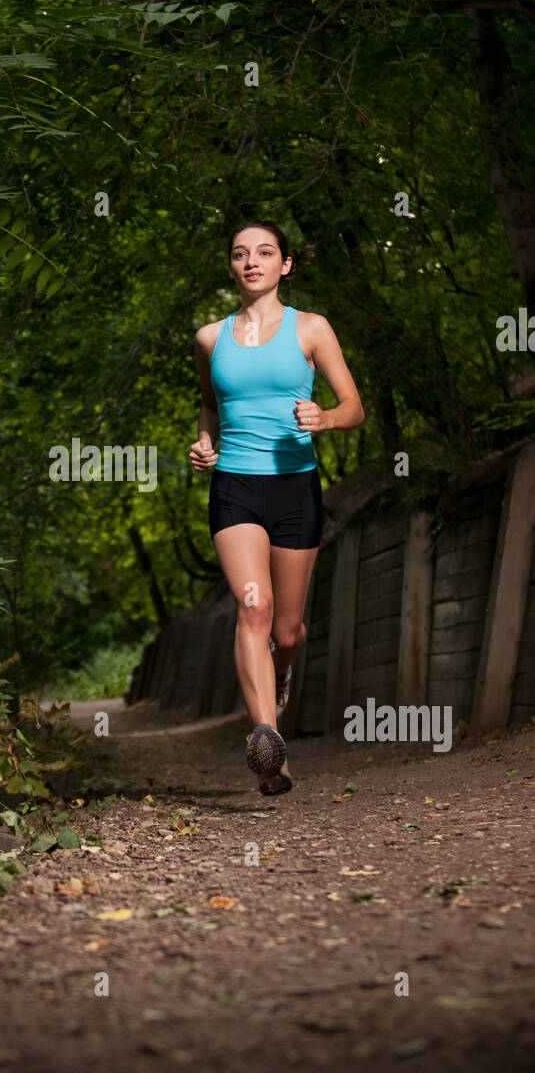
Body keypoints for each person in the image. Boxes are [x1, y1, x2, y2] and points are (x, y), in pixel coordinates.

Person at [190, 221, 364, 795]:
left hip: (296, 489)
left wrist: (325, 418)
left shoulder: (310, 328)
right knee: (254, 606)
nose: (252, 261)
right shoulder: (210, 338)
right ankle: (266, 742)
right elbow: (209, 407)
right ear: (231, 267)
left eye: (265, 252)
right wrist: (205, 443)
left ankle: (280, 675)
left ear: (285, 264)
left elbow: (353, 406)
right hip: (236, 488)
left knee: (286, 632)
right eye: (240, 254)